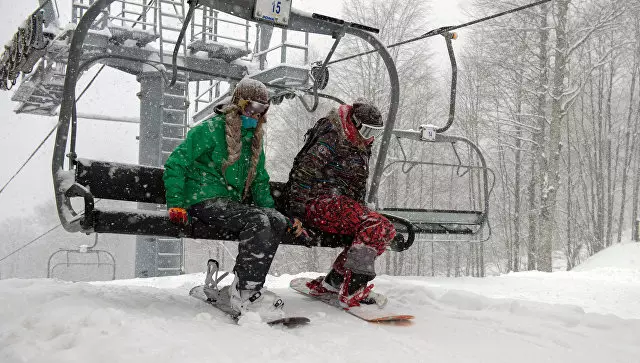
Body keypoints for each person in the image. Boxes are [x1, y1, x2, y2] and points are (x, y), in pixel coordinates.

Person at [163, 78, 298, 319]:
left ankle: (248, 286)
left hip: (229, 203)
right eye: (252, 108)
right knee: (257, 220)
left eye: (262, 110)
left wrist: (275, 213)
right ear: (238, 104)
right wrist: (176, 203)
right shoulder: (210, 130)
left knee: (273, 221)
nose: (255, 115)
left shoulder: (253, 140)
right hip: (203, 198)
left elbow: (259, 180)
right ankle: (246, 290)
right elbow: (176, 163)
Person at [284, 99, 397, 308]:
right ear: (354, 122)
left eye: (376, 132)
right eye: (367, 130)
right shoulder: (333, 136)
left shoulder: (359, 141)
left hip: (338, 204)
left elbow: (354, 183)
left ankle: (334, 282)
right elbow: (304, 172)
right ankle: (353, 288)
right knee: (377, 226)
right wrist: (296, 213)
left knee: (385, 230)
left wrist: (358, 209)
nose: (370, 136)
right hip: (318, 202)